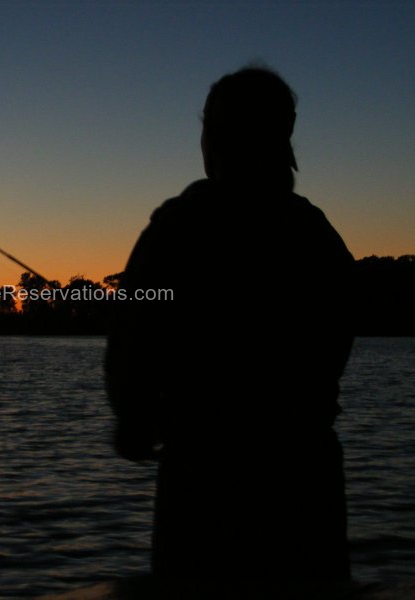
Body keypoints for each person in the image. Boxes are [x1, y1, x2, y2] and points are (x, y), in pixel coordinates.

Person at [105, 66, 354, 582]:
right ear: (283, 138)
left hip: (203, 482)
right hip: (306, 483)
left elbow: (133, 337)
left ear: (213, 137)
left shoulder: (178, 225)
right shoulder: (315, 234)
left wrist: (133, 419)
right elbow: (336, 340)